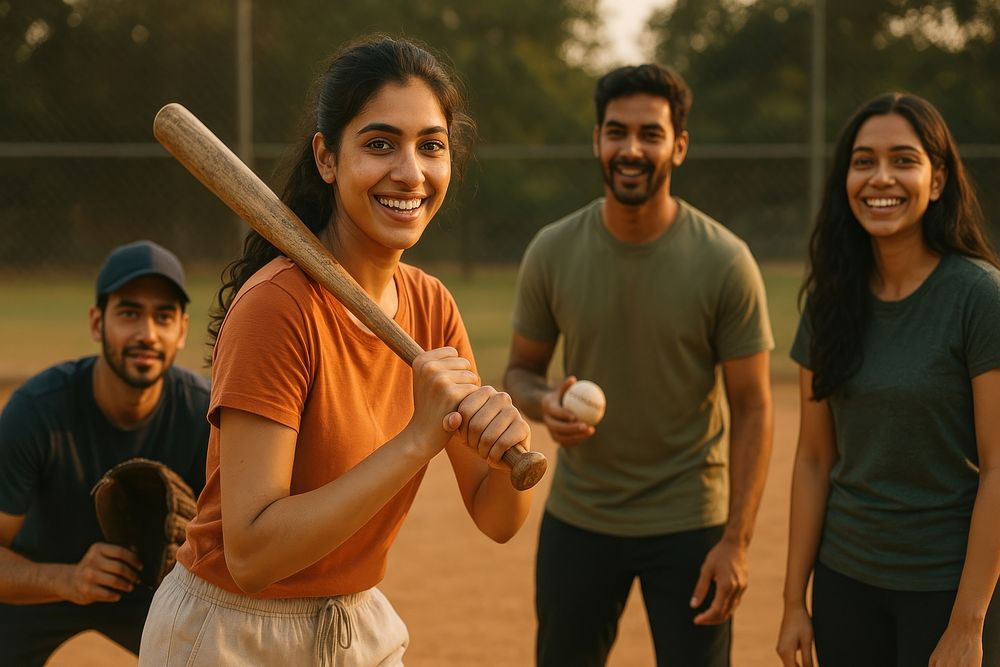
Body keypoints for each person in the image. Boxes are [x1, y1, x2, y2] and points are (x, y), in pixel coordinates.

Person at [138, 35, 534, 666]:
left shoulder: (431, 307)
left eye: (430, 146)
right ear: (326, 157)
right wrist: (414, 441)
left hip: (352, 625)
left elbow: (497, 515)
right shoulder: (280, 308)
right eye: (380, 144)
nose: (410, 172)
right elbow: (253, 555)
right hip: (232, 635)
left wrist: (510, 447)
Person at [504, 63, 774, 666]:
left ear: (678, 145)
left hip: (690, 525)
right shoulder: (552, 250)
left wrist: (737, 541)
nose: (631, 149)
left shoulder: (726, 262)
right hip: (581, 518)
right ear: (597, 140)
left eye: (650, 134)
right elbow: (519, 373)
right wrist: (545, 401)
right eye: (616, 131)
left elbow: (754, 405)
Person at [776, 92, 1000, 667]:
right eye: (863, 160)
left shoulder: (979, 296)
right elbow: (813, 459)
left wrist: (969, 623)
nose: (881, 177)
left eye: (904, 159)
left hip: (946, 589)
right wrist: (793, 601)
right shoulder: (831, 300)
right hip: (845, 583)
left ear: (938, 178)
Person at [0, 239, 210, 665]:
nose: (146, 333)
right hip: (42, 585)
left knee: (220, 649)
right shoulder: (39, 410)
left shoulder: (205, 416)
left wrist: (190, 567)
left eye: (163, 316)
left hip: (155, 593)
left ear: (182, 330)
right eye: (129, 313)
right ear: (98, 323)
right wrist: (68, 579)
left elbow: (242, 546)